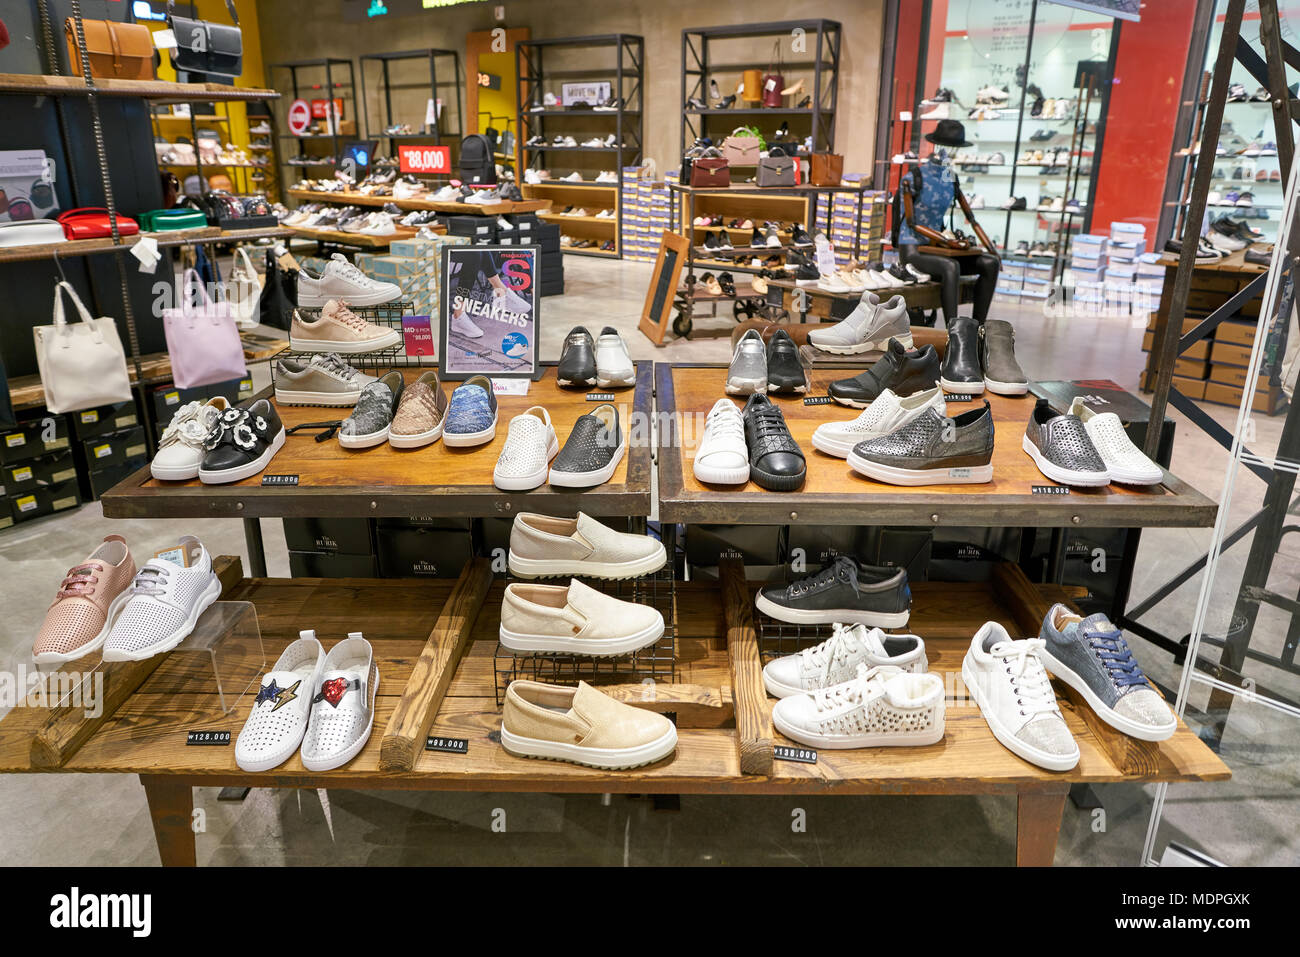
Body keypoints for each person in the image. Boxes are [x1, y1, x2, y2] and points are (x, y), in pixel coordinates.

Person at [895, 118, 1000, 325]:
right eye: (948, 147)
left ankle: (977, 329)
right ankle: (954, 334)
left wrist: (990, 248)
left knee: (991, 263)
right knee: (950, 267)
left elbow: (971, 216)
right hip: (914, 248)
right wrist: (946, 241)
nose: (949, 152)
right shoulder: (914, 177)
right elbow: (912, 223)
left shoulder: (951, 177)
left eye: (954, 148)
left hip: (940, 247)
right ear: (937, 146)